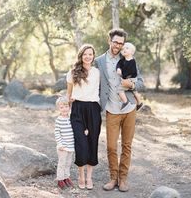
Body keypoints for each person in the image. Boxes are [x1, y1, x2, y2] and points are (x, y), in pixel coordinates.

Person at [95, 28, 144, 192]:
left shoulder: (129, 58)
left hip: (129, 108)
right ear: (109, 41)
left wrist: (131, 85)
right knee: (110, 147)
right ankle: (112, 178)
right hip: (111, 109)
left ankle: (123, 179)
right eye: (115, 42)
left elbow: (141, 81)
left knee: (127, 145)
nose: (118, 45)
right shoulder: (99, 61)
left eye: (121, 43)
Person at [66, 44, 101, 190]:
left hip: (93, 109)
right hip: (78, 109)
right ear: (81, 55)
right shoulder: (72, 72)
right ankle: (80, 176)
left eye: (90, 54)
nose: (88, 56)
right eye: (85, 54)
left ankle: (89, 178)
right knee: (80, 143)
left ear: (93, 56)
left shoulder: (97, 72)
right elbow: (69, 93)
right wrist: (67, 108)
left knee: (92, 142)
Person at [54, 96, 75, 190]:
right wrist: (60, 144)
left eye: (66, 106)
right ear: (59, 108)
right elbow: (57, 133)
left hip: (71, 146)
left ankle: (66, 177)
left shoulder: (71, 118)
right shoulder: (59, 120)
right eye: (61, 107)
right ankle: (60, 179)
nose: (64, 109)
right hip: (62, 147)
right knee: (62, 163)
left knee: (68, 163)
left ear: (69, 107)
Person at [116, 42, 143, 111]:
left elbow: (133, 72)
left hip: (131, 78)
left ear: (132, 52)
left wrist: (125, 77)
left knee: (119, 90)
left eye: (127, 48)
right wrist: (118, 69)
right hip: (126, 78)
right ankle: (139, 103)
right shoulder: (122, 60)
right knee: (134, 91)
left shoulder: (132, 61)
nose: (124, 50)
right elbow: (119, 64)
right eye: (122, 49)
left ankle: (125, 102)